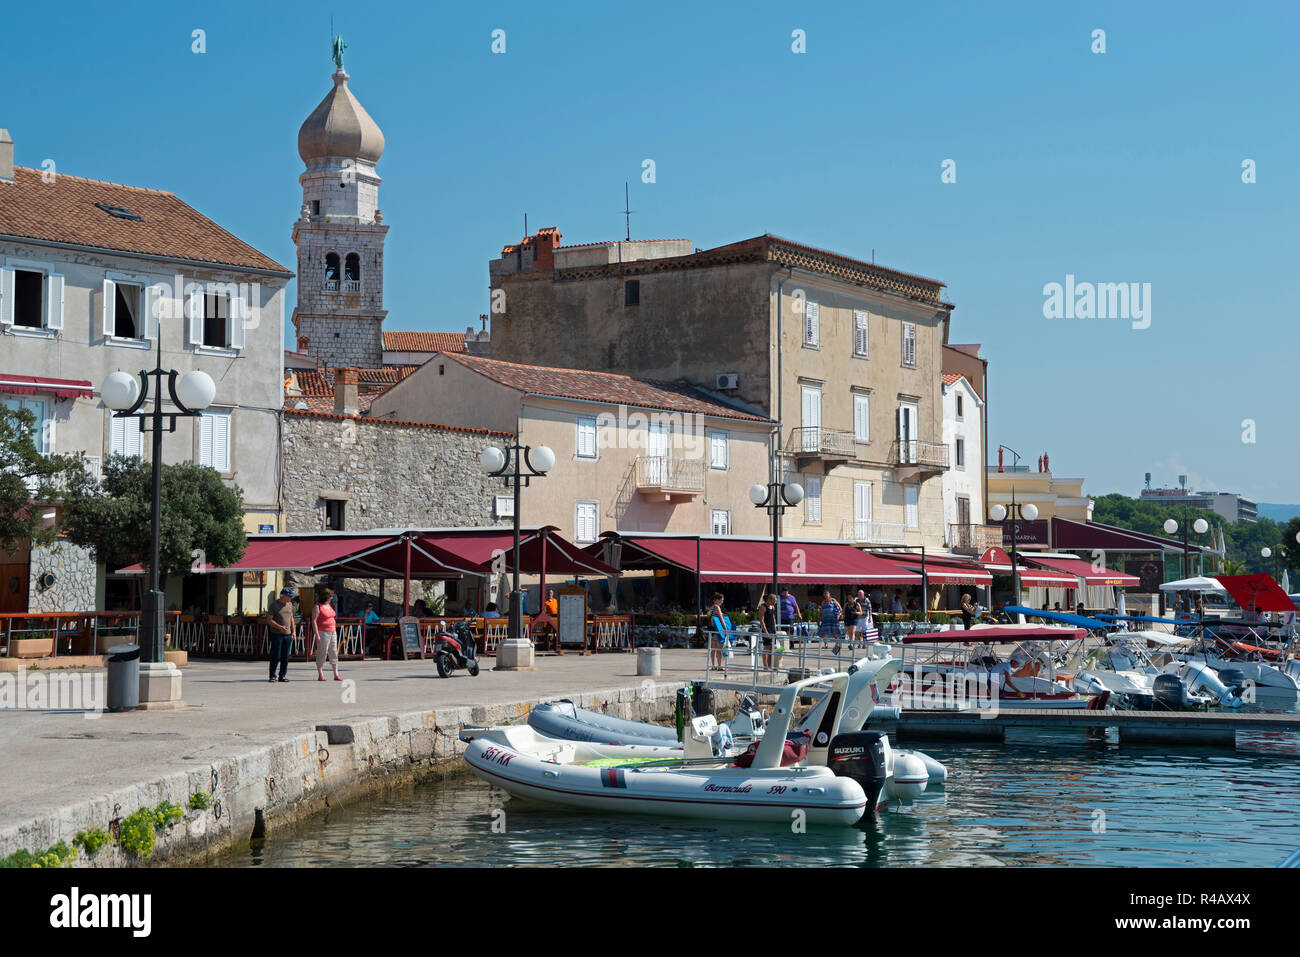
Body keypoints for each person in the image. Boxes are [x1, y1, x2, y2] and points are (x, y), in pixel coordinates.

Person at [265, 587, 297, 683]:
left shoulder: (290, 604)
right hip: (276, 634)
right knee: (275, 656)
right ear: (283, 596)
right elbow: (269, 620)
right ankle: (272, 676)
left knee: (285, 657)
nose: (291, 598)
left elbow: (291, 619)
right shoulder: (274, 605)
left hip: (287, 635)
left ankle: (282, 676)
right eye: (289, 596)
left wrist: (294, 631)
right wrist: (279, 627)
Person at [313, 586, 342, 682]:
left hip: (332, 631)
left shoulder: (329, 605)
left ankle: (336, 673)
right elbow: (314, 621)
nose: (332, 598)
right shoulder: (317, 606)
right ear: (326, 597)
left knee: (334, 652)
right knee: (322, 652)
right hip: (323, 632)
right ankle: (320, 674)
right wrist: (317, 634)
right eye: (331, 596)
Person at [818, 589, 844, 654]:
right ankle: (825, 644)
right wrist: (819, 619)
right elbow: (821, 612)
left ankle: (837, 642)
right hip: (825, 619)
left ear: (829, 595)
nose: (826, 596)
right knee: (825, 632)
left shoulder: (833, 600)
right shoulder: (823, 602)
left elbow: (840, 609)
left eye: (827, 594)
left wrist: (839, 615)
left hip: (833, 619)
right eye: (825, 595)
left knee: (834, 632)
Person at [707, 593, 727, 668]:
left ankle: (713, 665)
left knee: (713, 648)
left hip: (713, 629)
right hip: (718, 629)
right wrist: (725, 628)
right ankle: (719, 665)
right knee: (719, 648)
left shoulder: (712, 607)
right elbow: (721, 619)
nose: (722, 602)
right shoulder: (717, 607)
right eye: (721, 600)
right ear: (717, 600)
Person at [760, 593, 778, 669]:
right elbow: (761, 620)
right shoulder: (763, 607)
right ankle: (765, 665)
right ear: (769, 600)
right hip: (766, 628)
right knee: (766, 647)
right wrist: (765, 631)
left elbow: (773, 619)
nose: (775, 603)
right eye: (774, 601)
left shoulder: (772, 607)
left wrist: (775, 629)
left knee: (772, 648)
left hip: (772, 629)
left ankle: (770, 665)